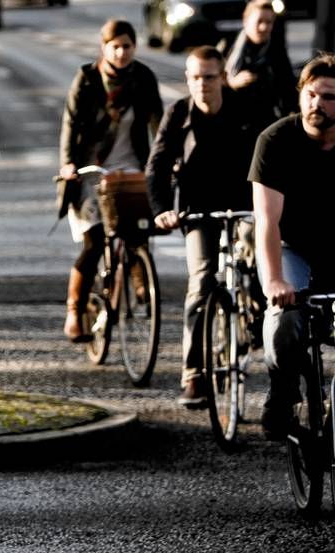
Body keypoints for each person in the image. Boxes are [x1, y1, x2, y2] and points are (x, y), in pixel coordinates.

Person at [146, 46, 264, 408]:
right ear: (187, 78)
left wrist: (267, 208)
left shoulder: (246, 110)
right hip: (198, 209)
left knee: (258, 256)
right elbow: (158, 166)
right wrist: (164, 210)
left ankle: (254, 315)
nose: (201, 84)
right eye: (195, 77)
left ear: (222, 78)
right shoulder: (178, 113)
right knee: (201, 282)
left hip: (245, 205)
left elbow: (269, 159)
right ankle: (193, 374)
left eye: (209, 77)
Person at [57, 19, 162, 342]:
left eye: (127, 46)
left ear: (134, 47)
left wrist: (165, 161)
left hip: (131, 165)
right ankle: (75, 311)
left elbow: (159, 122)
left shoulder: (143, 77)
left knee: (138, 228)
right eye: (115, 46)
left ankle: (139, 274)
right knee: (96, 240)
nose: (121, 52)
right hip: (91, 169)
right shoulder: (87, 79)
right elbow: (71, 123)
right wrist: (68, 164)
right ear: (104, 48)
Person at [249, 54, 335, 440]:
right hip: (292, 246)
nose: (318, 105)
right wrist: (274, 282)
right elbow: (266, 221)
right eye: (312, 95)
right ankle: (283, 390)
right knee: (283, 322)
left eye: (330, 97)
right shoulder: (275, 141)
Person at [219, 0, 296, 123]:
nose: (264, 27)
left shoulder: (277, 51)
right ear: (246, 21)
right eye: (259, 21)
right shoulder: (228, 45)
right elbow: (211, 80)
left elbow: (288, 89)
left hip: (265, 119)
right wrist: (232, 83)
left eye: (269, 22)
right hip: (231, 116)